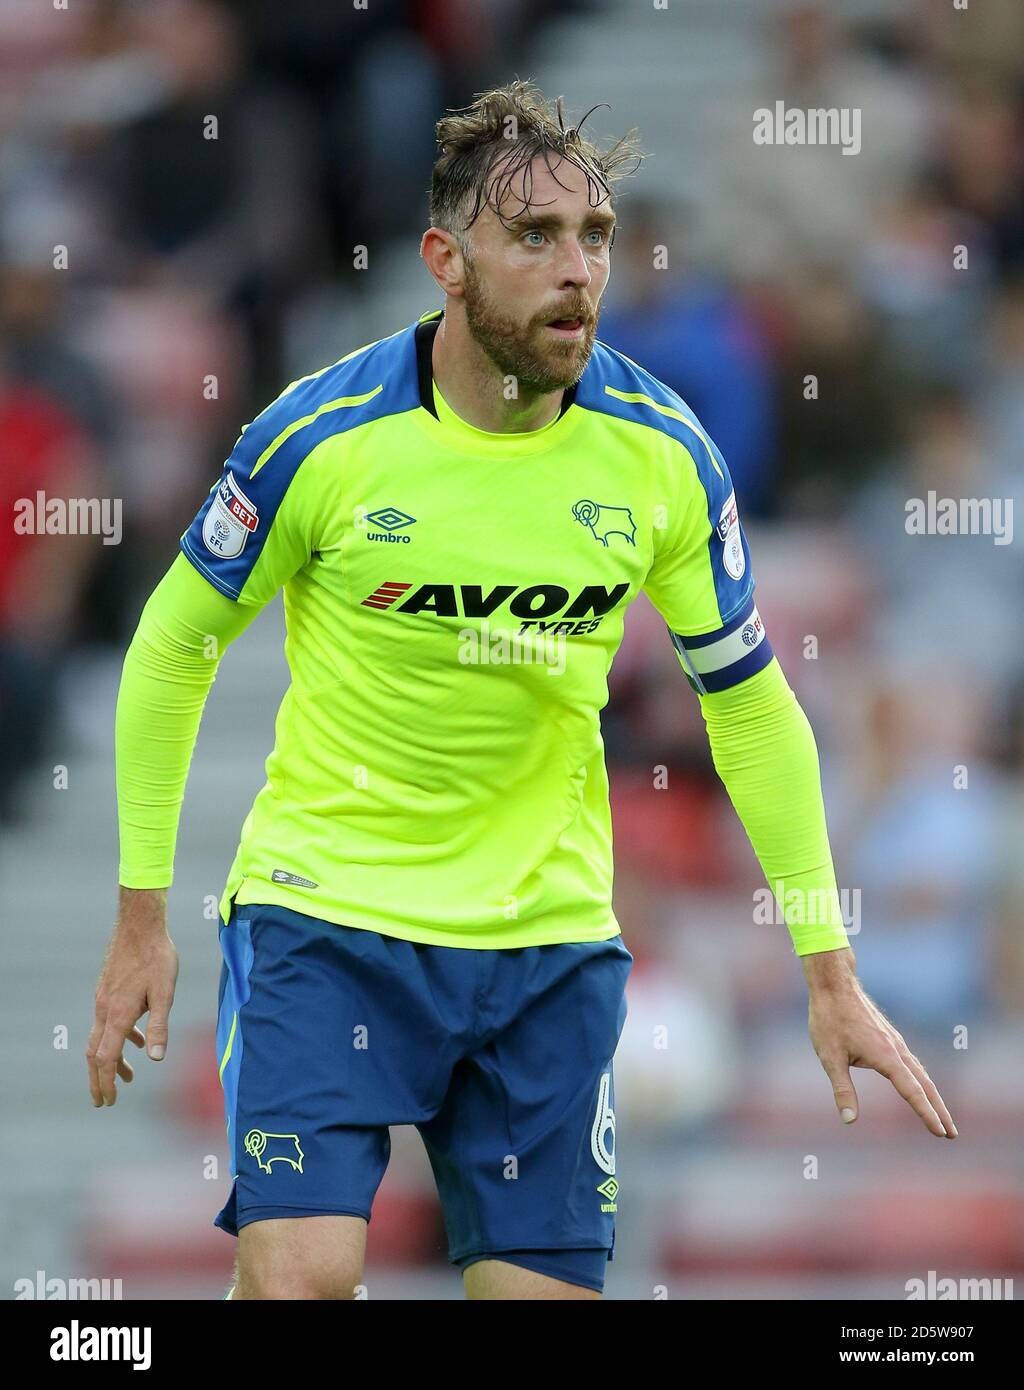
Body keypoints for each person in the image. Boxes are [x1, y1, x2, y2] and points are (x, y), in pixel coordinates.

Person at [90, 79, 956, 1302]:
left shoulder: (661, 454)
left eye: (595, 237)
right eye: (536, 237)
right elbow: (173, 647)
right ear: (446, 259)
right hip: (328, 916)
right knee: (300, 1278)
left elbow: (750, 703)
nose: (578, 271)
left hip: (542, 947)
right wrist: (139, 916)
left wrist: (827, 961)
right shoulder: (319, 437)